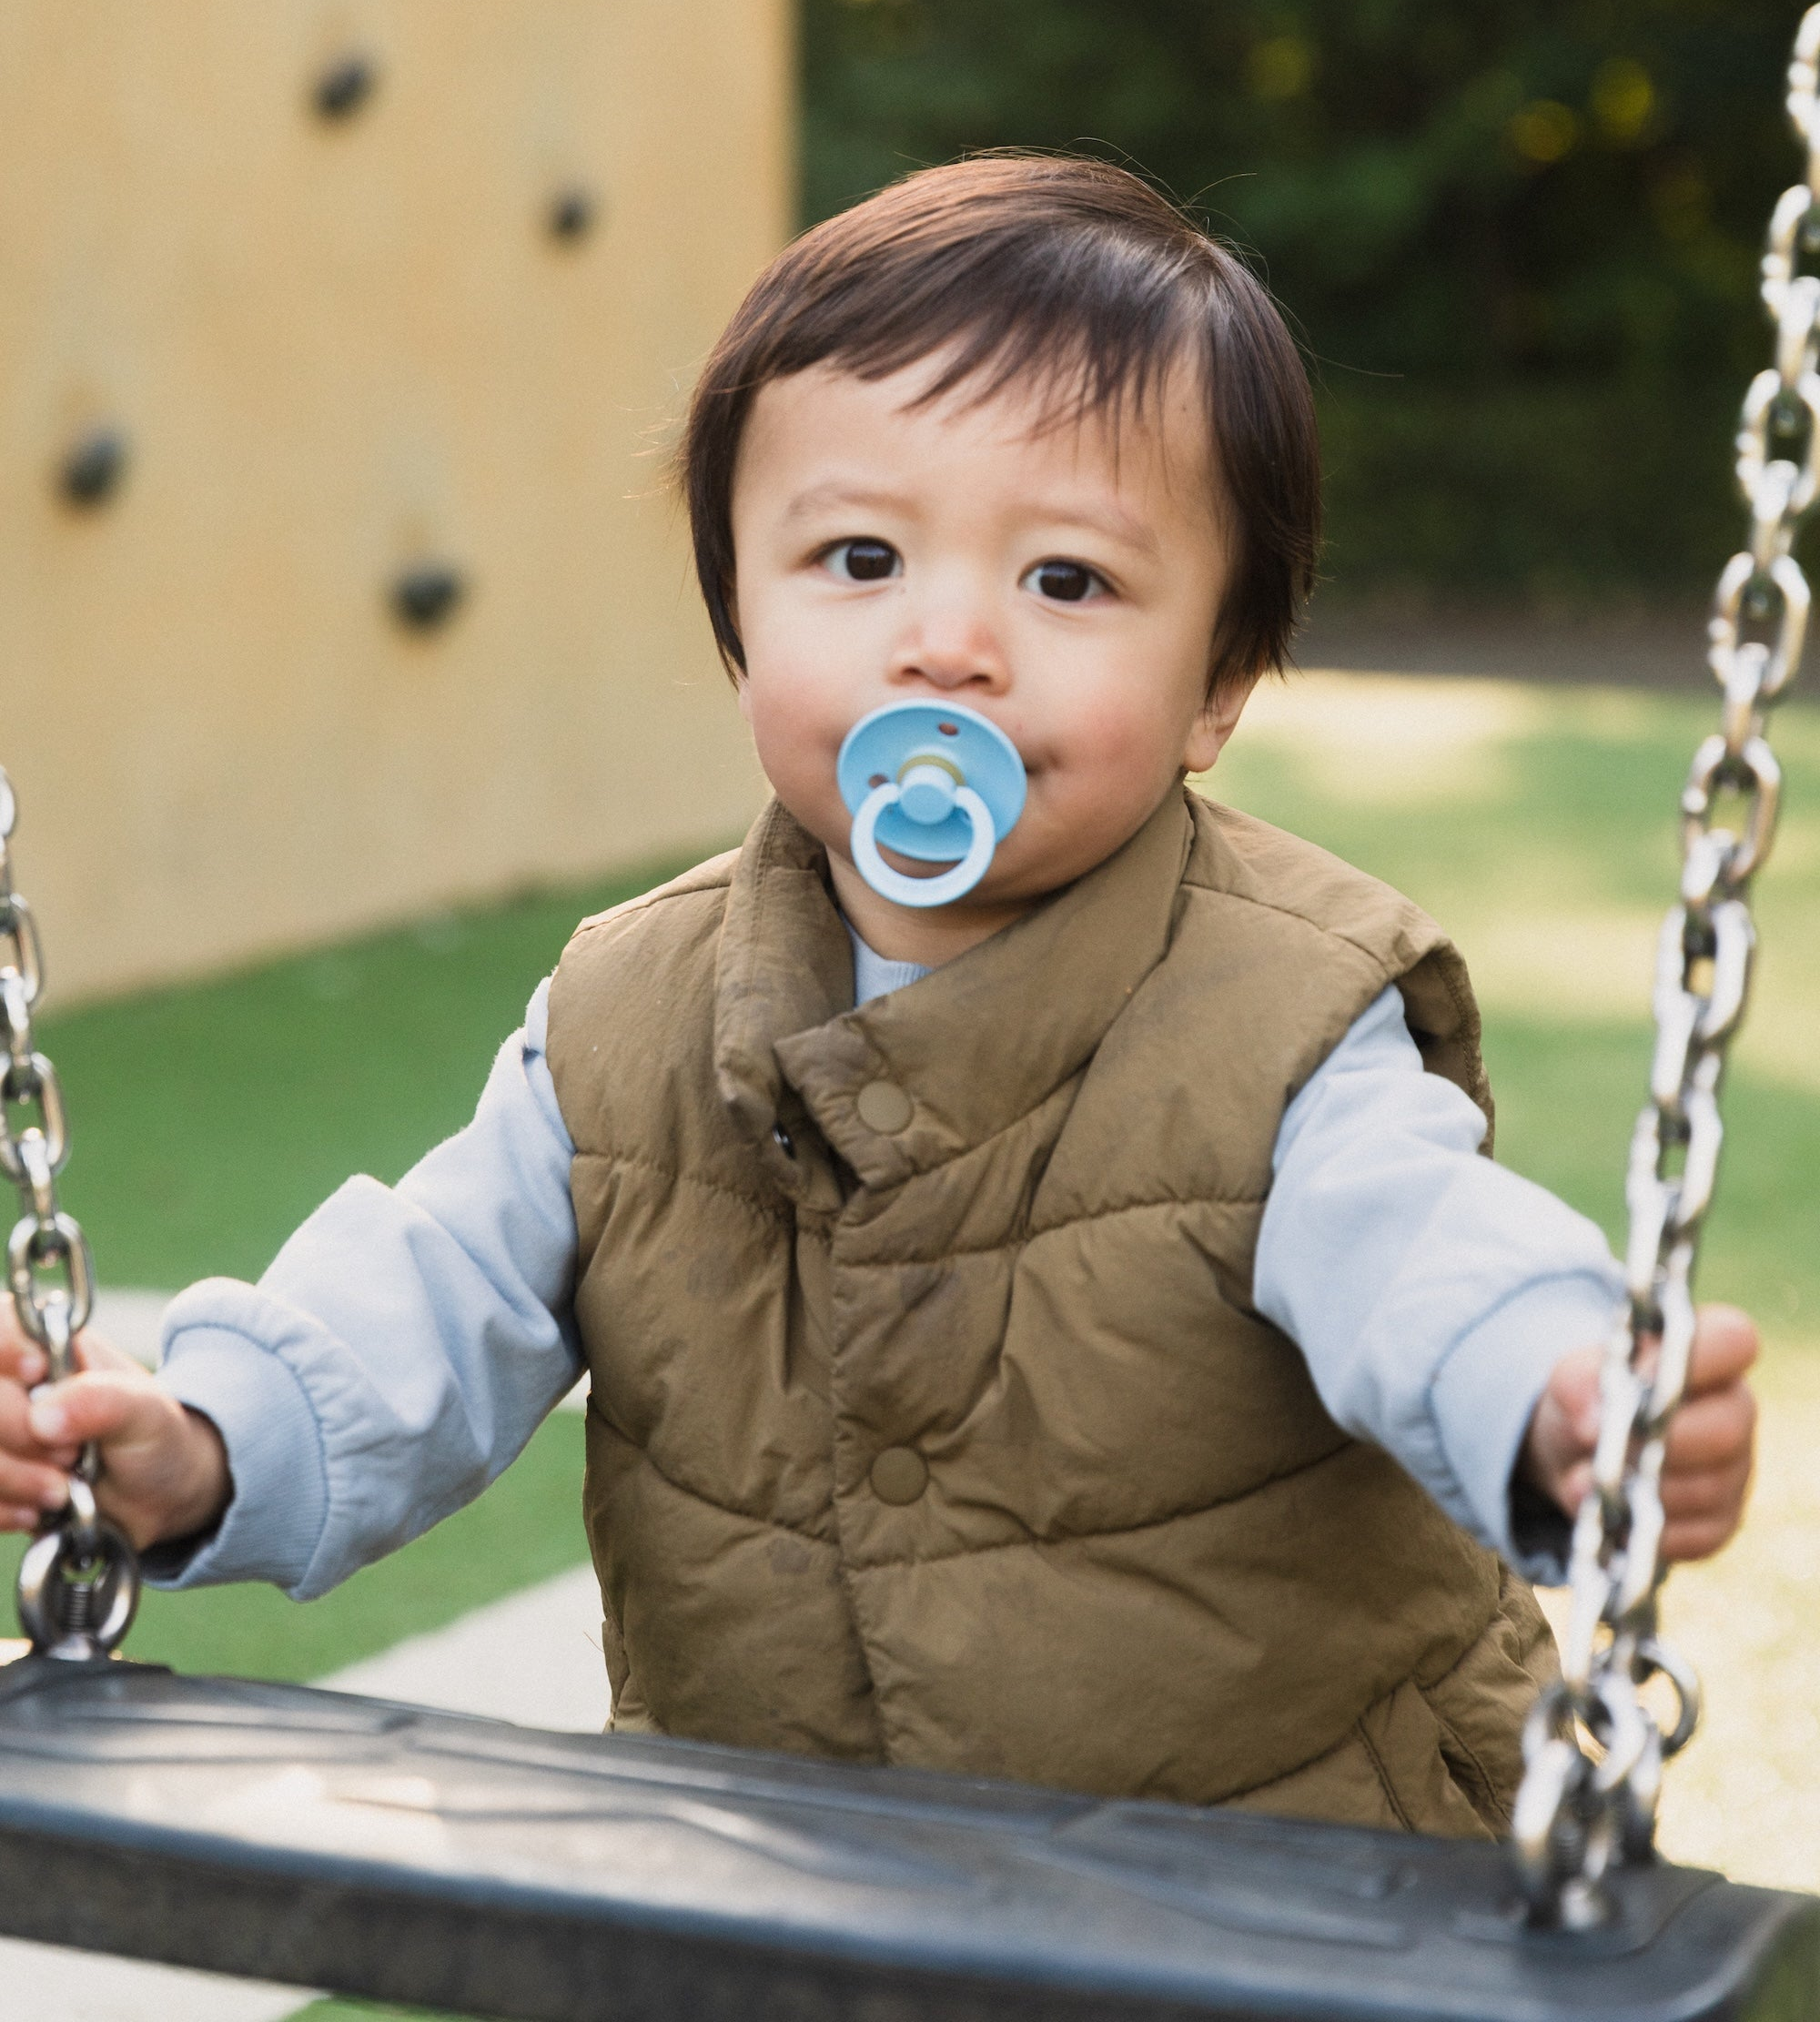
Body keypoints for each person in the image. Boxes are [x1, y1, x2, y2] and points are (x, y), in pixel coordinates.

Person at [0, 157, 1757, 1835]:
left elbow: (1416, 1250)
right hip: (792, 1884)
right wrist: (205, 1444)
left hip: (1274, 1880)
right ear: (741, 620)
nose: (949, 643)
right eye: (859, 561)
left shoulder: (1284, 1014)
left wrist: (1556, 1395)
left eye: (1065, 580)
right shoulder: (625, 1013)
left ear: (1219, 685)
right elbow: (426, 1299)